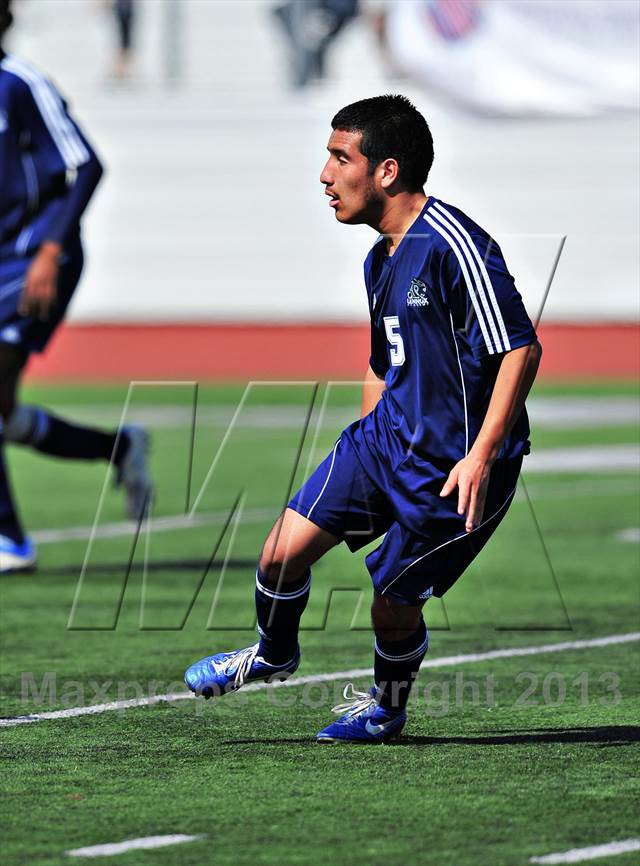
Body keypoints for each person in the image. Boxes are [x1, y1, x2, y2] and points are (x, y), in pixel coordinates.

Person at [184, 94, 542, 743]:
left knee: (392, 606)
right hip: (384, 443)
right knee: (279, 555)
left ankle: (386, 709)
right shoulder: (380, 257)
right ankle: (273, 653)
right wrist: (367, 446)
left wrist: (480, 454)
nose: (325, 174)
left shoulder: (452, 245)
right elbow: (384, 362)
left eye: (339, 157)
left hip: (453, 466)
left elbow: (519, 346)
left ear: (386, 170)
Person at [0, 0, 152, 574]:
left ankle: (11, 542)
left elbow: (84, 165)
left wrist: (48, 250)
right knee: (4, 414)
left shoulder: (21, 84)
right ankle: (117, 448)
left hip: (33, 255)